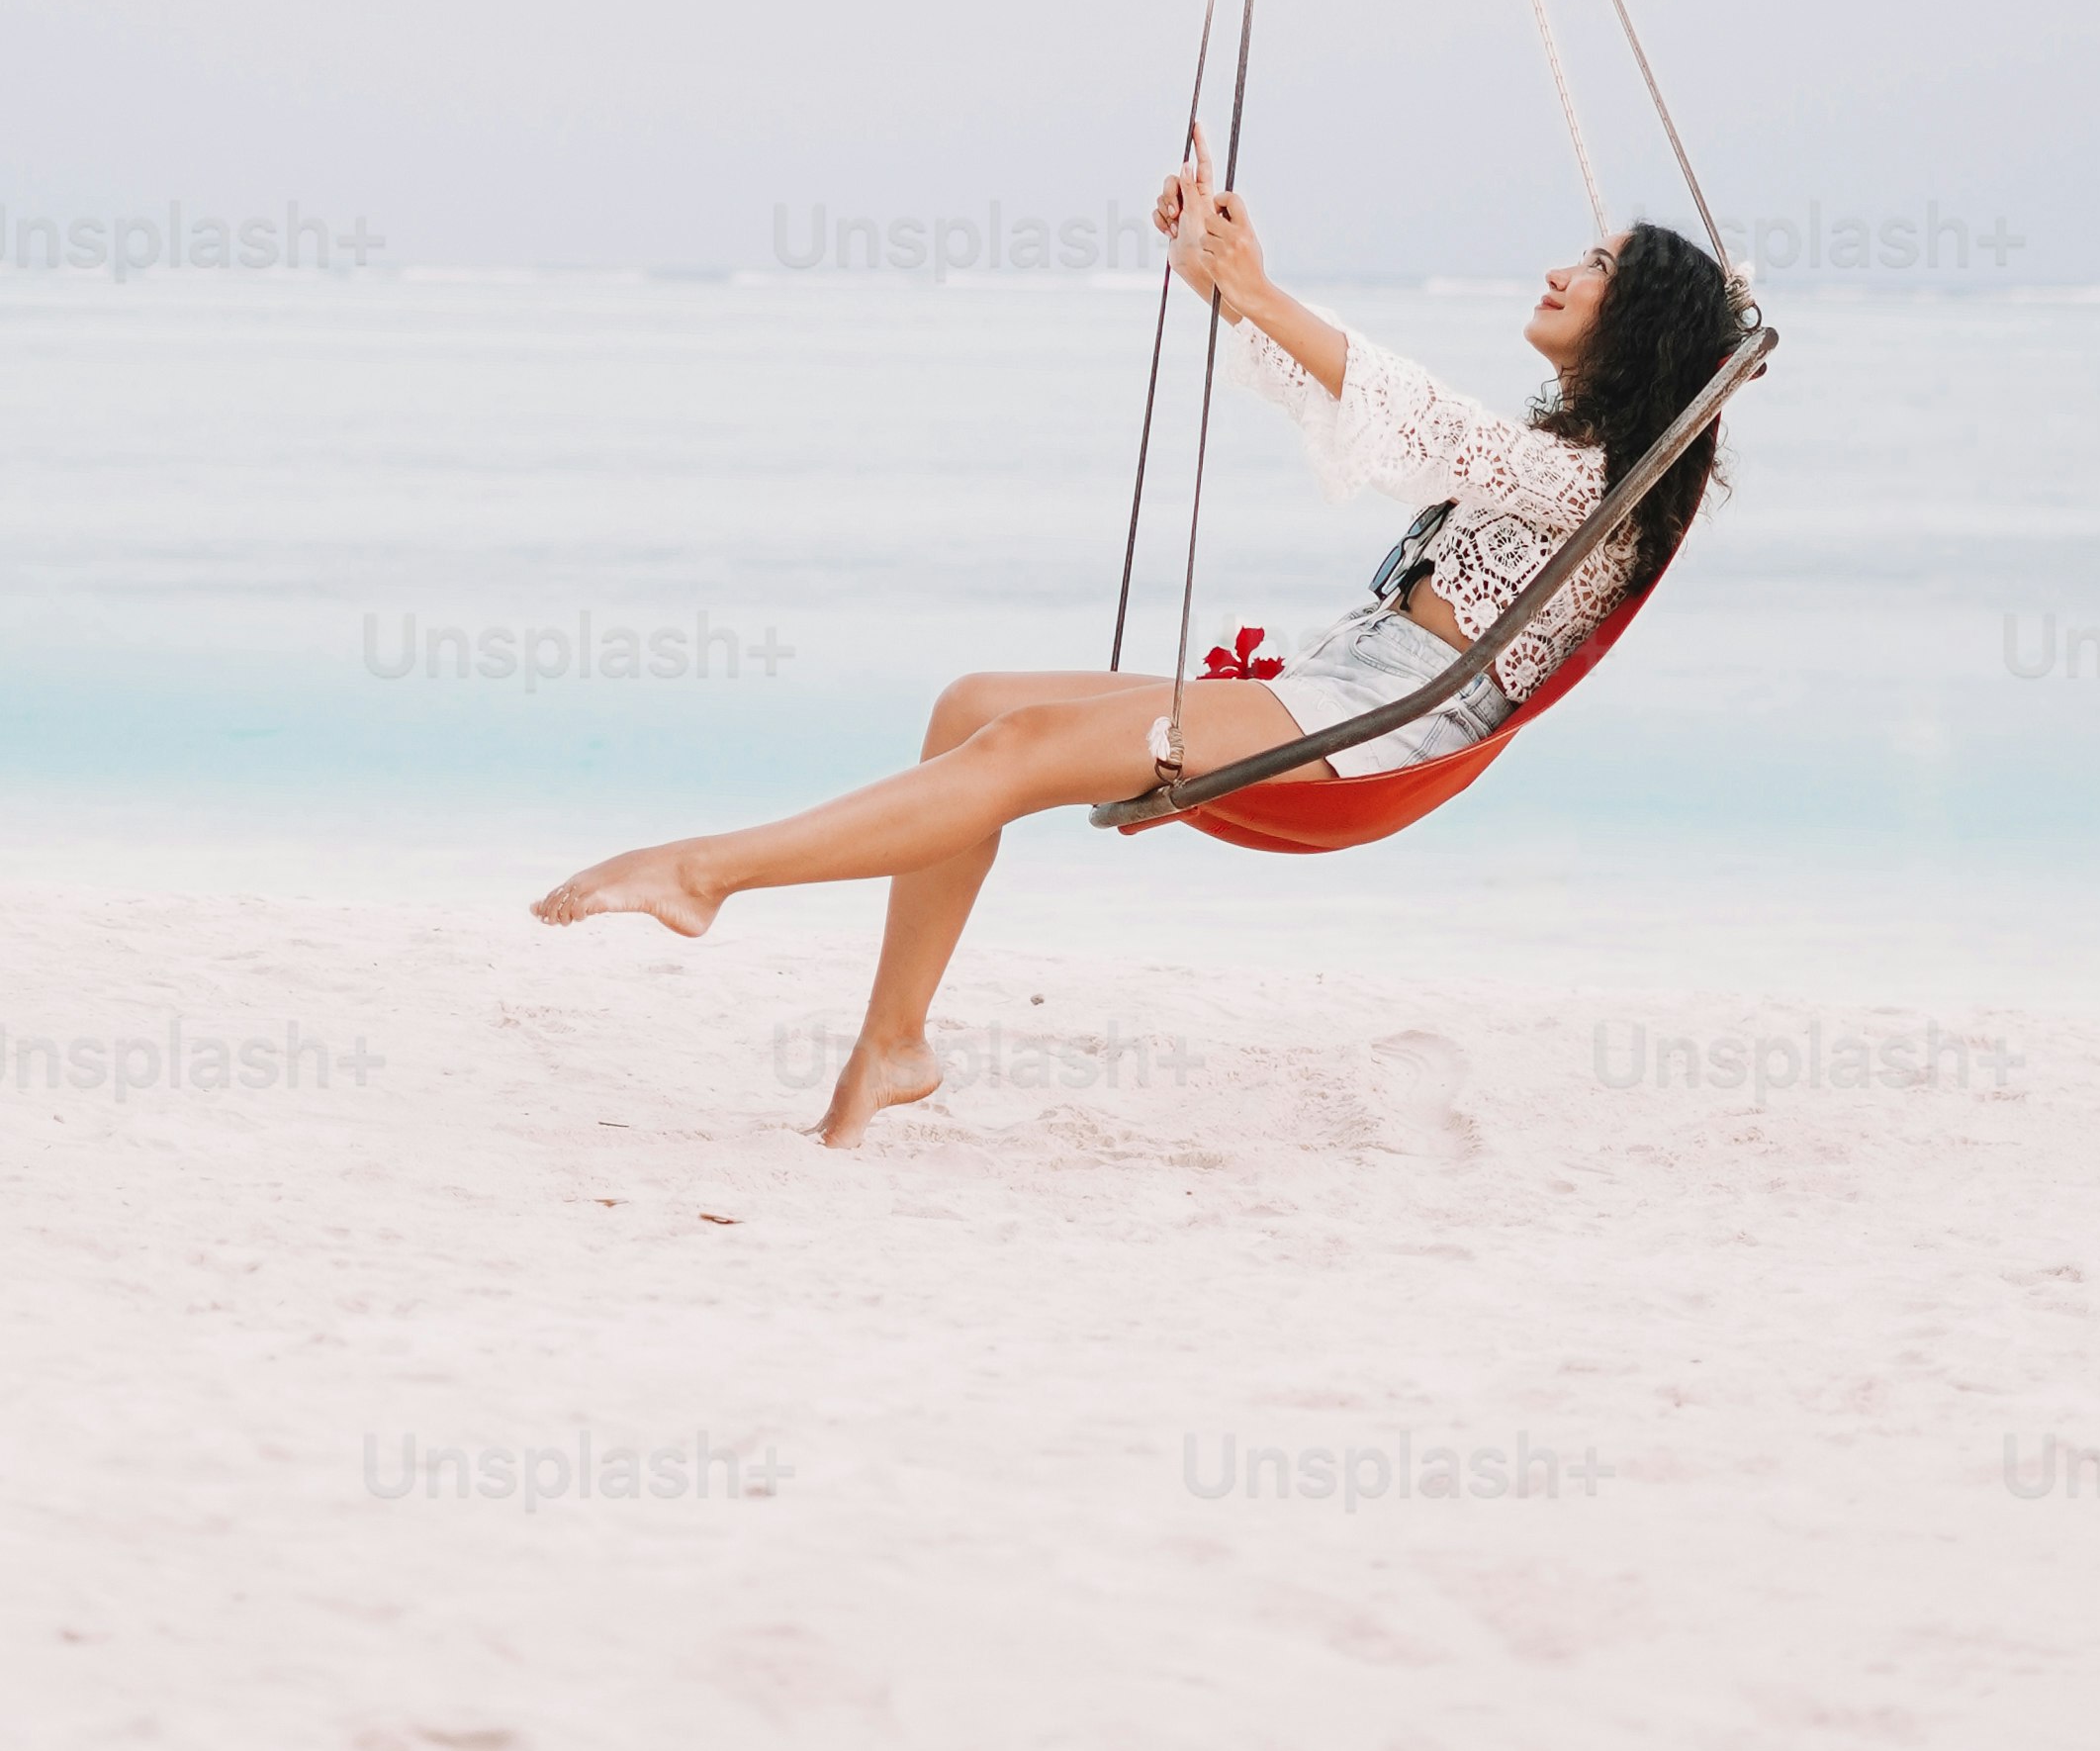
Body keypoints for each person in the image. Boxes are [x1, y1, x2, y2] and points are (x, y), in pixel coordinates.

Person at [532, 138, 1750, 1144]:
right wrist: (1215, 277)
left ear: (1637, 320)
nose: (1557, 269)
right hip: (1343, 674)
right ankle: (895, 1045)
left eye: (1592, 265)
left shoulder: (1605, 484)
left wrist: (1261, 287)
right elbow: (1354, 404)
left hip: (1386, 721)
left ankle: (706, 874)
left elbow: (1428, 428)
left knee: (1028, 742)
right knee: (971, 705)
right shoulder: (1567, 459)